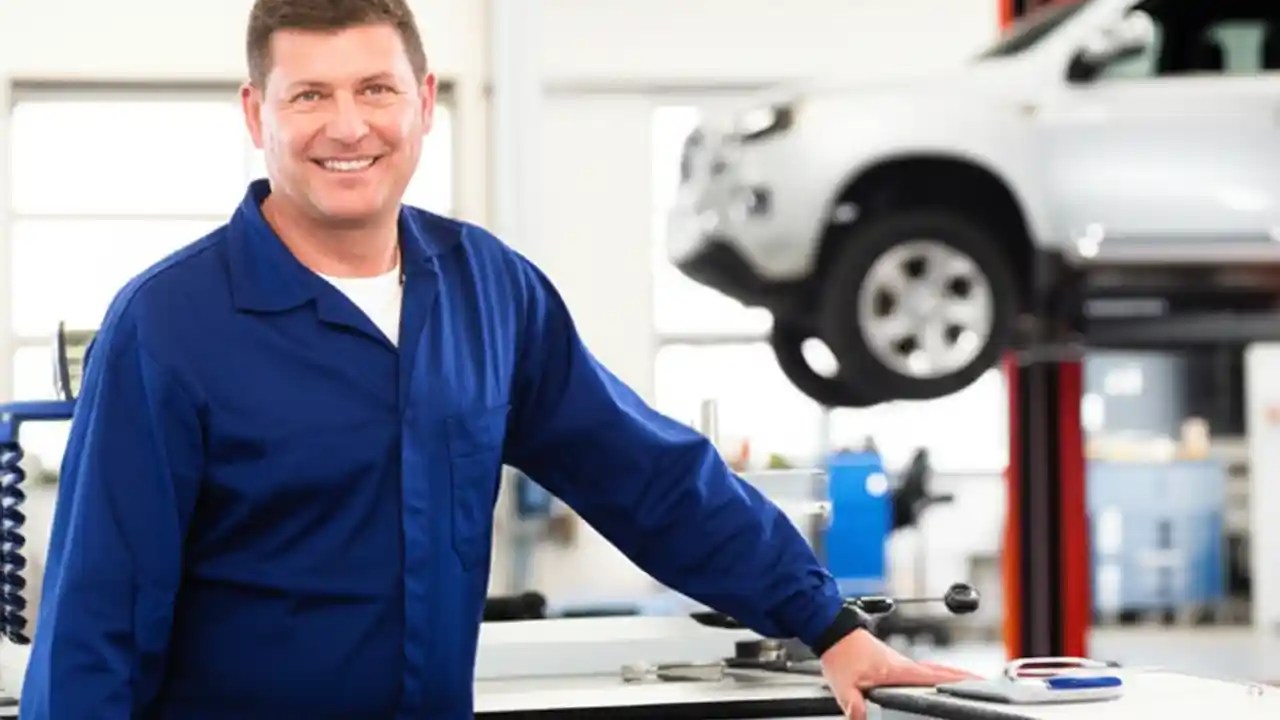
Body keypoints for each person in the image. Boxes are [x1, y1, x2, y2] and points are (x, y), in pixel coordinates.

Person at [18, 1, 973, 718]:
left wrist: (829, 624)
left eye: (375, 89)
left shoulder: (487, 292)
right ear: (253, 111)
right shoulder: (171, 324)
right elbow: (100, 615)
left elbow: (645, 474)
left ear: (424, 103)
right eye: (309, 94)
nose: (347, 127)